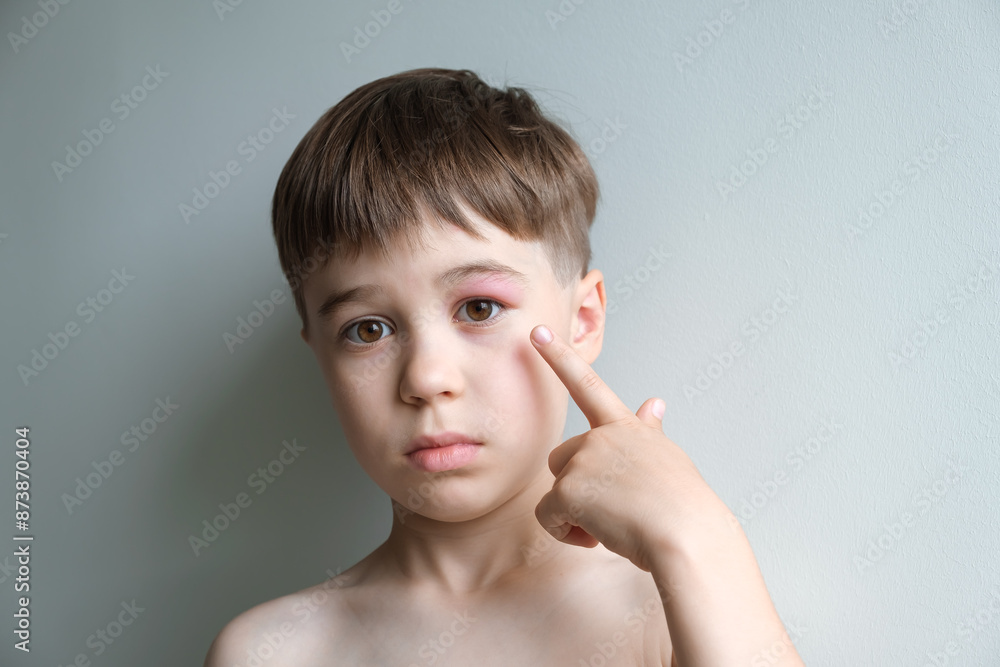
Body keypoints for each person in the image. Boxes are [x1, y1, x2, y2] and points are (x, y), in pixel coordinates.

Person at [203, 67, 804, 666]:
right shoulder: (272, 652)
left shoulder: (677, 612)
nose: (426, 379)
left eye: (479, 307)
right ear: (322, 358)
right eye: (367, 330)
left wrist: (695, 532)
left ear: (584, 319)